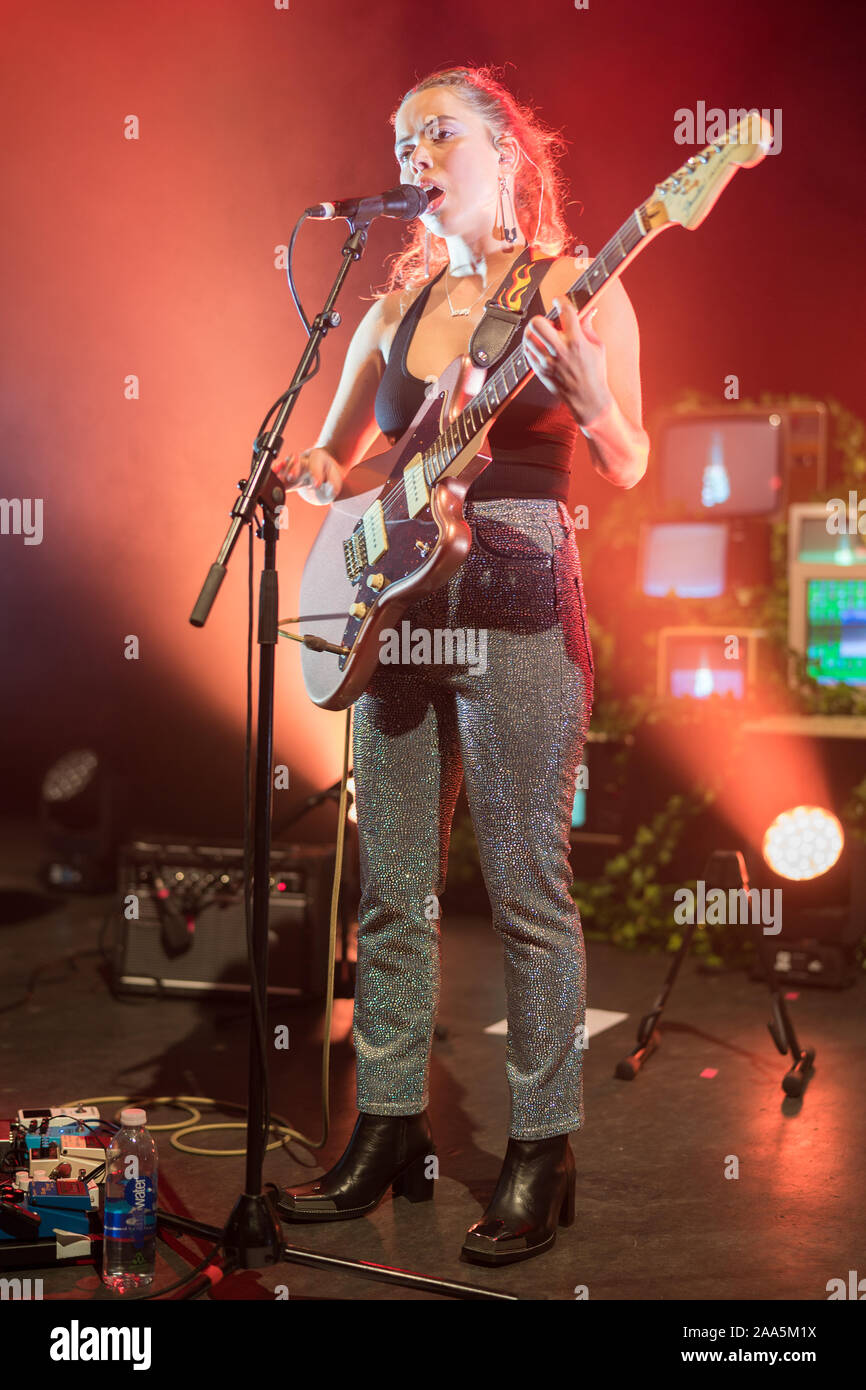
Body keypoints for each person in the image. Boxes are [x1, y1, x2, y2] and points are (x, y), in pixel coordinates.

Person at [274, 64, 648, 1267]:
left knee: (526, 884)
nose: (414, 150)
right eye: (400, 135)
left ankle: (542, 1147)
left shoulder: (572, 286)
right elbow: (344, 465)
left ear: (504, 149)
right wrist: (307, 479)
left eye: (436, 130)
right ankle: (386, 1126)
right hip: (394, 595)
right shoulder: (392, 310)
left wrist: (588, 386)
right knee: (388, 880)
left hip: (516, 582)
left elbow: (629, 458)